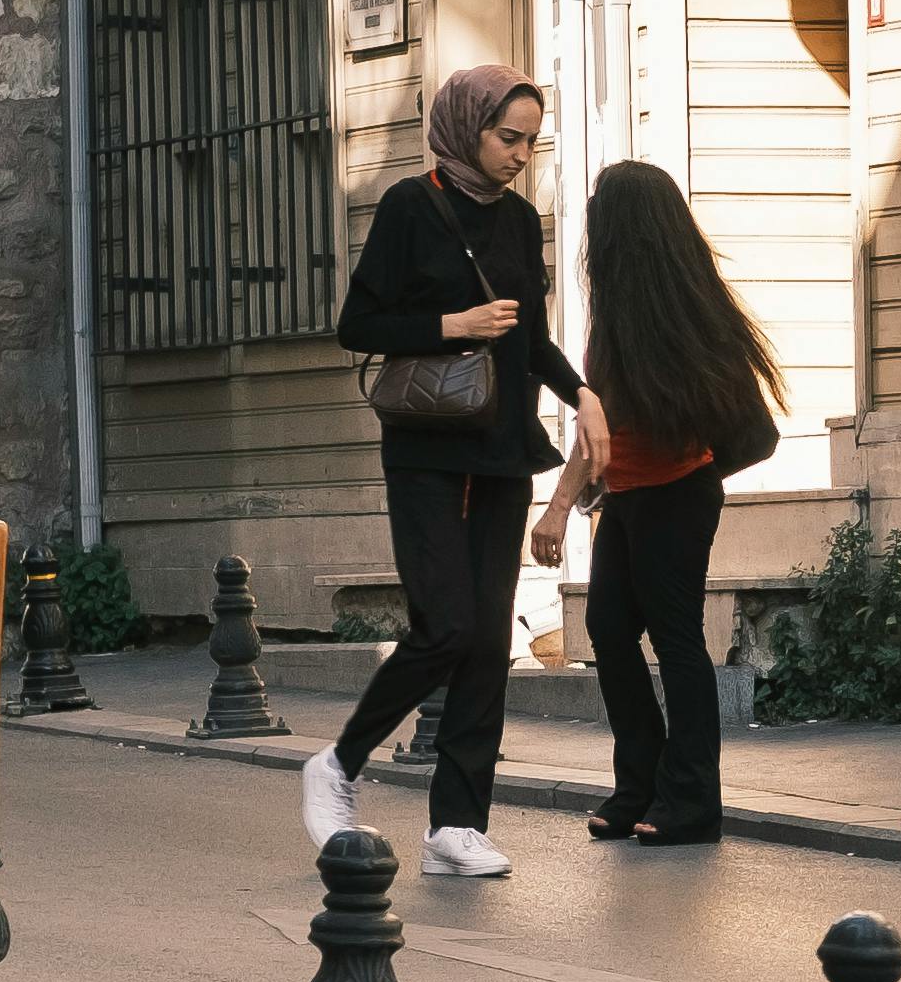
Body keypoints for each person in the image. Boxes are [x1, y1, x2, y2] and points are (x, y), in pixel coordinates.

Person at [314, 65, 577, 881]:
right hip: (429, 447)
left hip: (501, 446)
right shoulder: (409, 206)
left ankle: (457, 825)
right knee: (446, 625)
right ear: (468, 129)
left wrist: (584, 395)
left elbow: (529, 340)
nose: (520, 156)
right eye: (508, 138)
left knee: (489, 635)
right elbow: (357, 323)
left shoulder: (521, 221)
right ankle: (338, 764)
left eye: (531, 141)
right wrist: (448, 324)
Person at [533, 159, 789, 848]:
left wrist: (687, 476)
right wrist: (564, 506)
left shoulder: (682, 317)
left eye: (598, 210)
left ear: (622, 228)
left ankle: (692, 801)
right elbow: (599, 434)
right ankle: (639, 784)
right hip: (629, 501)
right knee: (611, 632)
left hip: (675, 499)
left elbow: (748, 431)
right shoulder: (619, 315)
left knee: (676, 641)